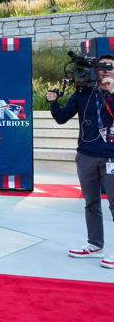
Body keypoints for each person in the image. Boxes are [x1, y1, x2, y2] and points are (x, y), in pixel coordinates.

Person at [47, 58, 114, 267]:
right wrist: (53, 102)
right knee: (91, 203)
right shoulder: (82, 92)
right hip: (85, 155)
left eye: (108, 67)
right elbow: (62, 118)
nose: (104, 71)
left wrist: (112, 93)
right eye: (100, 67)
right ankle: (95, 244)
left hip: (111, 156)